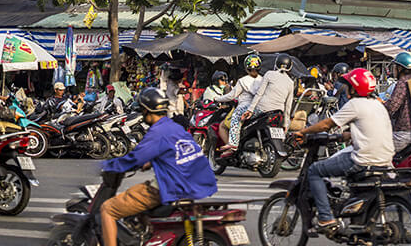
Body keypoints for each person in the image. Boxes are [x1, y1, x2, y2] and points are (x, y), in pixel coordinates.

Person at [100, 88, 219, 246]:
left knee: (108, 209)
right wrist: (152, 161)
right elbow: (176, 152)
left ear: (147, 111)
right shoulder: (175, 128)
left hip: (173, 187)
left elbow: (134, 158)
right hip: (198, 184)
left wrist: (108, 165)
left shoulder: (157, 132)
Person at [290, 67, 393, 232]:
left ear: (354, 87)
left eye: (349, 86)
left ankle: (325, 218)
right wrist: (343, 136)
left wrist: (303, 131)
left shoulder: (355, 104)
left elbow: (326, 124)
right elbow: (364, 131)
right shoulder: (378, 105)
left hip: (364, 160)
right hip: (385, 160)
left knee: (315, 170)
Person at [212, 54, 262, 152]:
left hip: (245, 107)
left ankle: (233, 144)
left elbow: (231, 96)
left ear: (246, 68)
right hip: (260, 108)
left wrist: (217, 99)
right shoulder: (263, 80)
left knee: (234, 120)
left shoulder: (243, 81)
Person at [245, 53, 295, 129]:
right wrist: (285, 124)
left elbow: (259, 94)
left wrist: (250, 109)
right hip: (278, 114)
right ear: (290, 67)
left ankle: (234, 140)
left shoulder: (269, 74)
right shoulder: (291, 83)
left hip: (262, 110)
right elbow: (288, 106)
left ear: (276, 64)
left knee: (237, 116)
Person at [384, 52, 411, 152]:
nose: (393, 70)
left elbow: (392, 106)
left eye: (395, 67)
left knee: (378, 150)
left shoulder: (403, 82)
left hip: (404, 132)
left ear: (400, 68)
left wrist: (378, 108)